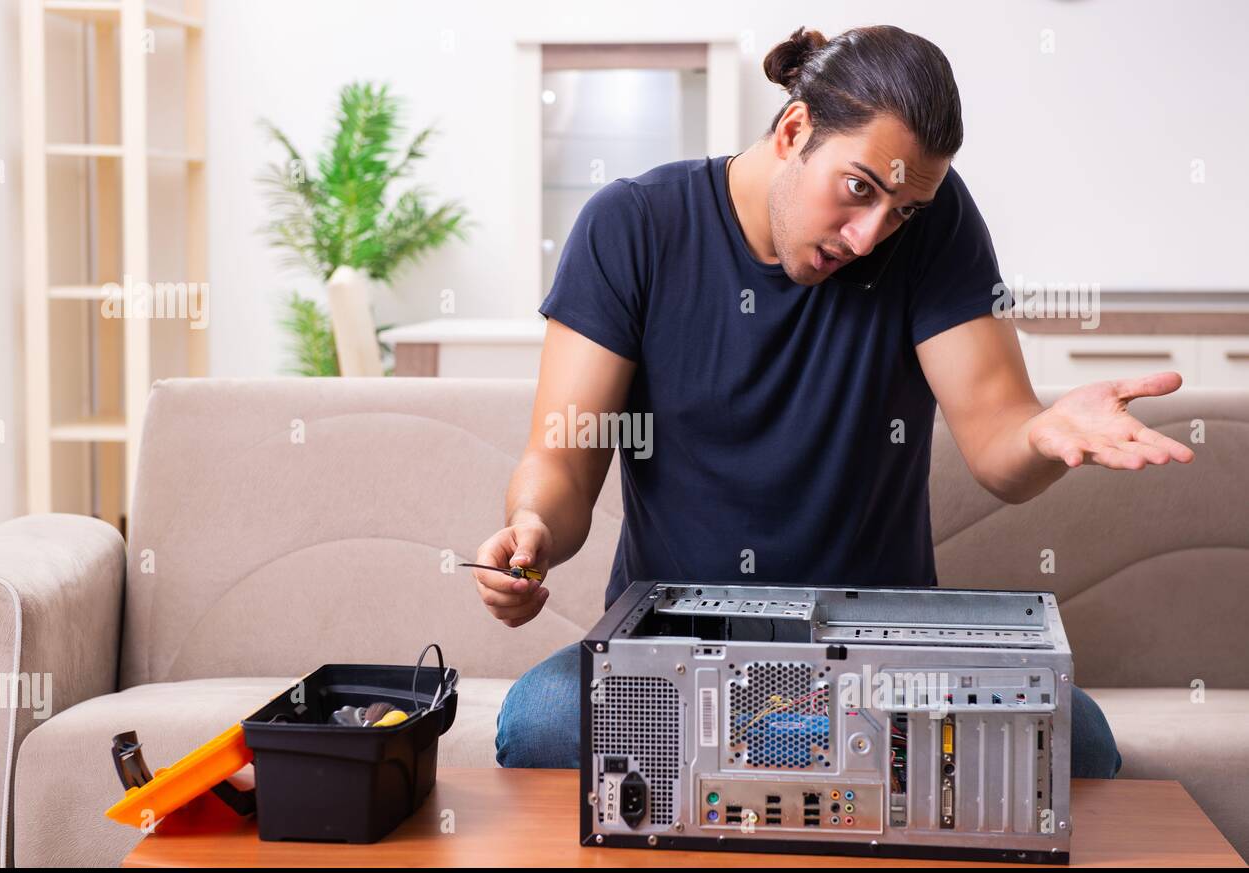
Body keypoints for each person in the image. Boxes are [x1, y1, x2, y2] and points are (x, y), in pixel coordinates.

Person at [474, 25, 1194, 777]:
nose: (869, 235)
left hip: (885, 656)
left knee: (1080, 743)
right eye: (860, 190)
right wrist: (530, 530)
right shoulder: (633, 226)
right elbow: (560, 460)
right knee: (543, 721)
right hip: (675, 651)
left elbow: (998, 444)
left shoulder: (935, 228)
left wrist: (1045, 433)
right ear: (794, 130)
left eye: (901, 211)